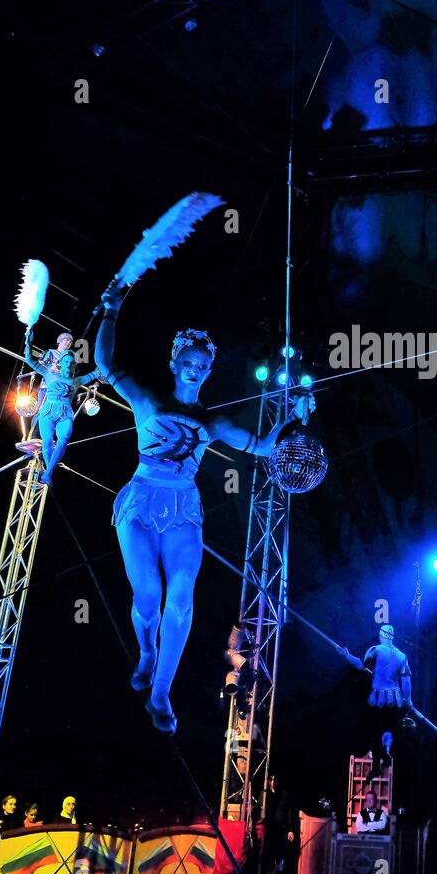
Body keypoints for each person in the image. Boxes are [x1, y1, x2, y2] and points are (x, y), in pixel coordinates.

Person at [95, 281, 313, 734]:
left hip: (183, 508)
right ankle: (148, 651)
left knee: (180, 598)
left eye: (202, 365)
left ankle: (160, 690)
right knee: (149, 598)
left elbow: (263, 447)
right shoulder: (148, 400)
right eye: (188, 363)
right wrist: (112, 311)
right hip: (140, 500)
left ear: (209, 370)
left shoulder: (212, 421)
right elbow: (105, 362)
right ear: (174, 363)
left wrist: (295, 415)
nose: (194, 370)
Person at [23, 329, 100, 485]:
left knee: (63, 439)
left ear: (74, 365)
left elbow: (96, 373)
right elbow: (30, 359)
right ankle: (48, 473)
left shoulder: (77, 380)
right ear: (61, 362)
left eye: (71, 362)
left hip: (65, 412)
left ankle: (48, 471)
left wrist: (103, 368)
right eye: (65, 361)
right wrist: (28, 342)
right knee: (47, 441)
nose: (68, 364)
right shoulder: (50, 372)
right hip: (49, 409)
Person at [336, 623, 414, 768]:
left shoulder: (375, 650)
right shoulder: (402, 656)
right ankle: (386, 749)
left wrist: (347, 656)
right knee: (388, 727)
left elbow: (361, 666)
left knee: (375, 728)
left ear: (382, 635)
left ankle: (377, 758)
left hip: (378, 696)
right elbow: (406, 681)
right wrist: (408, 699)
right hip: (395, 698)